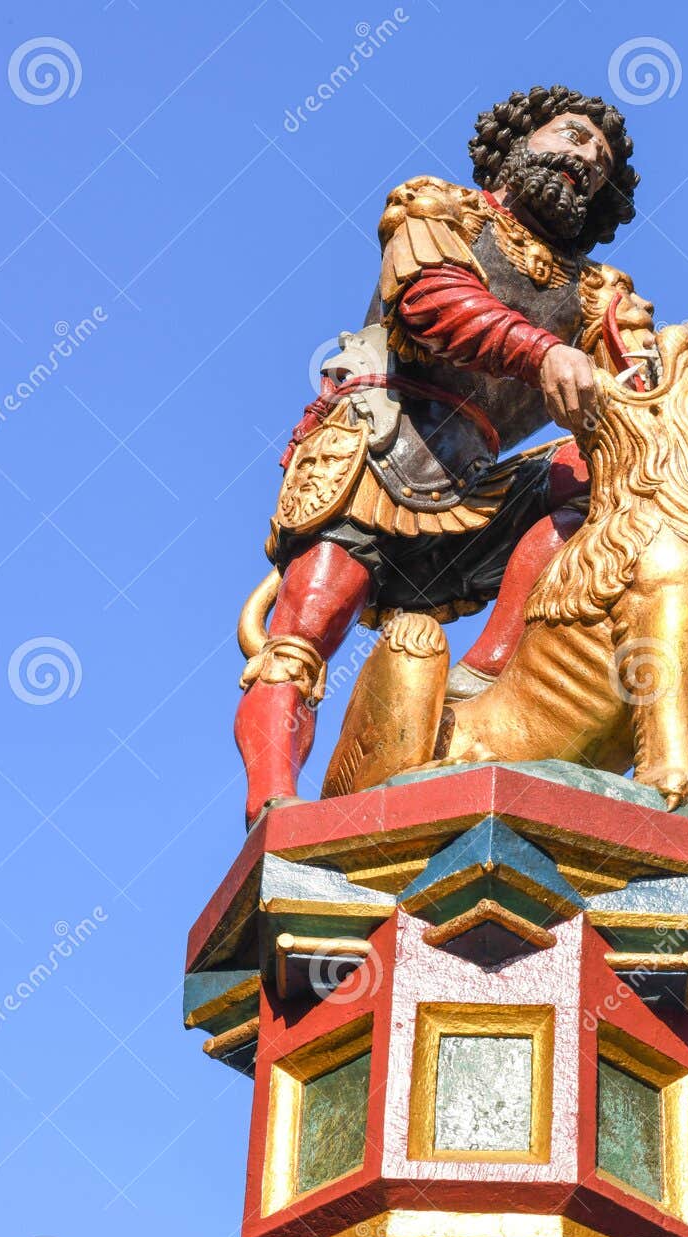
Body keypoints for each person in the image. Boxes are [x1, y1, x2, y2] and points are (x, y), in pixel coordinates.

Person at [235, 83, 657, 825]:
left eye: (599, 155)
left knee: (600, 477)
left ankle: (485, 672)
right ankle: (274, 804)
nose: (584, 158)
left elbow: (643, 395)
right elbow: (431, 302)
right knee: (304, 632)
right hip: (376, 444)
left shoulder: (599, 293)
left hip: (477, 486)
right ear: (519, 143)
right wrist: (544, 352)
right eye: (571, 136)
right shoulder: (440, 209)